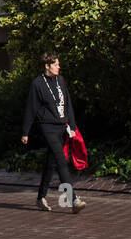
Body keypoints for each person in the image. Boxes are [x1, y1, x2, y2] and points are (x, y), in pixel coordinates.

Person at [22, 51, 86, 213]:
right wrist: (25, 132)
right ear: (47, 66)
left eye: (58, 64)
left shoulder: (60, 80)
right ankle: (73, 200)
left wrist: (72, 125)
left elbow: (68, 104)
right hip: (47, 127)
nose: (59, 67)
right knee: (61, 160)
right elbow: (31, 108)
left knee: (50, 163)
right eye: (55, 64)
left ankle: (40, 197)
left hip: (62, 126)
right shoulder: (37, 84)